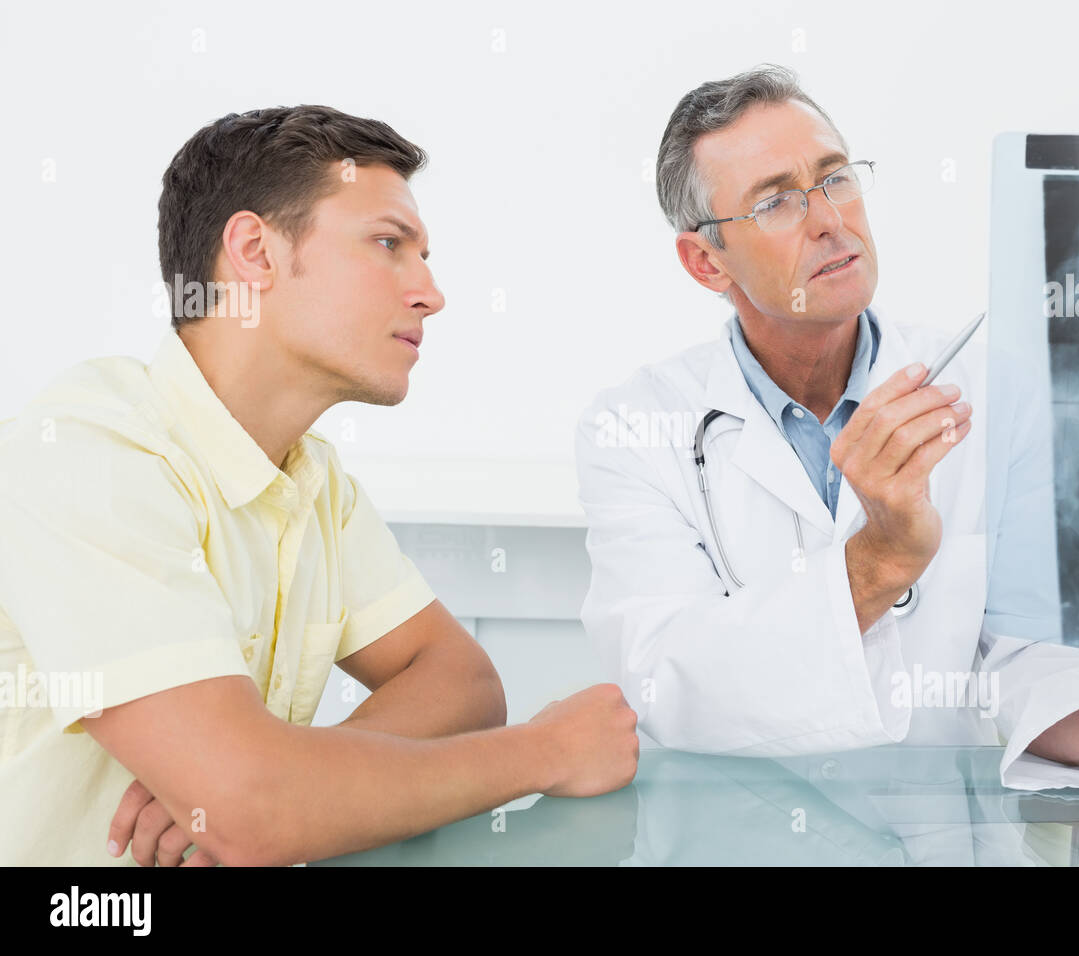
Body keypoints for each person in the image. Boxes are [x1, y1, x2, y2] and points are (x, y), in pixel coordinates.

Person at [0, 105, 638, 867]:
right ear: (255, 253)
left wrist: (286, 783)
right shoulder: (90, 448)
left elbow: (462, 681)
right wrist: (546, 752)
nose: (430, 292)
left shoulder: (312, 479)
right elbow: (257, 812)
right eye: (387, 244)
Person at [574, 65, 1079, 788]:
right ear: (705, 261)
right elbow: (666, 683)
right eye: (776, 203)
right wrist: (879, 561)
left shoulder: (994, 390)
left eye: (835, 178)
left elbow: (1028, 663)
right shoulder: (638, 427)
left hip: (940, 836)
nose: (830, 219)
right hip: (734, 834)